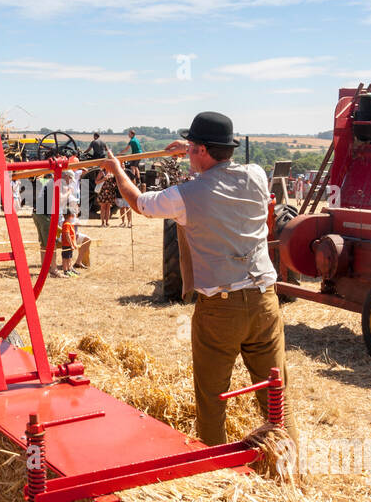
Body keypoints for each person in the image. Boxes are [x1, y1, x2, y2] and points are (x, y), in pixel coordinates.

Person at [103, 110, 298, 449]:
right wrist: (191, 151)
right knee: (275, 394)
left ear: (204, 151)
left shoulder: (185, 196)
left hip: (221, 310)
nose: (189, 151)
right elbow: (220, 169)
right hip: (266, 300)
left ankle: (214, 468)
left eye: (194, 147)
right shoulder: (255, 175)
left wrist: (118, 171)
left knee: (212, 397)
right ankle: (288, 463)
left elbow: (140, 203)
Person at [60, 210, 80, 276]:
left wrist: (74, 244)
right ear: (70, 216)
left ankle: (69, 269)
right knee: (65, 258)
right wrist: (71, 245)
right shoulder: (66, 224)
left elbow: (72, 235)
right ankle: (66, 271)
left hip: (70, 244)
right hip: (66, 245)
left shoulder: (69, 224)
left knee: (69, 258)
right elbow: (67, 235)